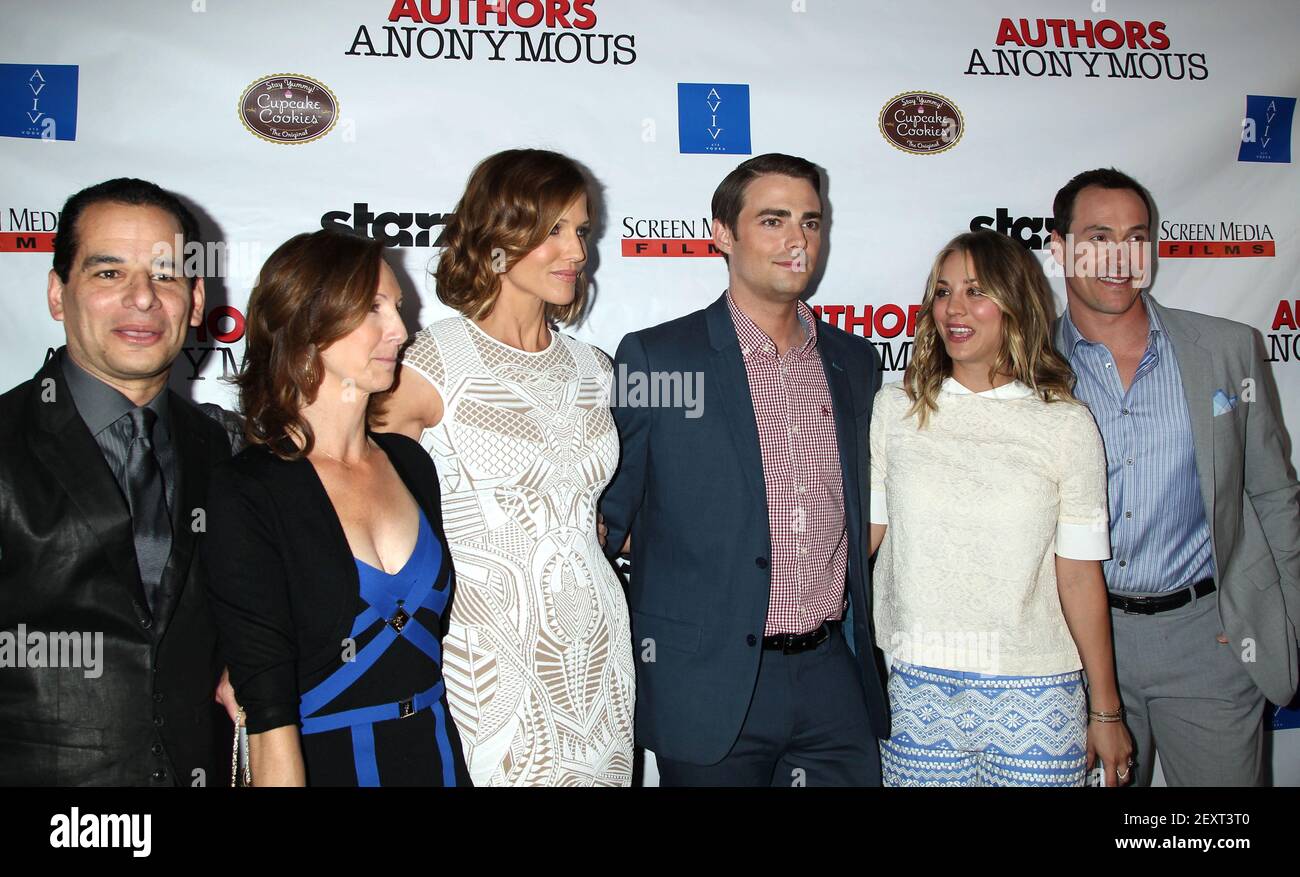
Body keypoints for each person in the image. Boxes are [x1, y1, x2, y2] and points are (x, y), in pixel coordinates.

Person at [598, 153, 887, 786]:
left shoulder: (855, 361)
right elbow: (606, 520)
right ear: (723, 234)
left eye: (811, 222)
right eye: (773, 220)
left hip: (830, 675)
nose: (797, 240)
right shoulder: (659, 358)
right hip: (704, 683)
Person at [385, 149, 634, 786]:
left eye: (581, 230)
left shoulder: (593, 369)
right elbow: (346, 500)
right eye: (553, 231)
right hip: (492, 653)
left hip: (599, 649)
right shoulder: (431, 364)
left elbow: (583, 509)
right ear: (498, 236)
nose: (576, 250)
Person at [1049, 168, 1300, 786]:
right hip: (1072, 647)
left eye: (1138, 236)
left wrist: (1283, 614)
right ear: (1059, 249)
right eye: (1099, 235)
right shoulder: (1029, 365)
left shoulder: (1225, 349)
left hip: (1210, 642)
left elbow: (1272, 492)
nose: (1121, 256)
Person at [204, 229, 469, 786]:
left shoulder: (411, 464)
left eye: (396, 308)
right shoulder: (249, 490)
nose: (399, 329)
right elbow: (268, 709)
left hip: (437, 759)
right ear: (305, 323)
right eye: (373, 308)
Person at [869, 230, 1132, 787]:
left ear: (1015, 304)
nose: (954, 309)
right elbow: (860, 538)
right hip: (916, 689)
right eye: (943, 292)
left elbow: (1081, 576)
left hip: (1037, 692)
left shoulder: (1066, 423)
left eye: (976, 291)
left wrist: (1105, 711)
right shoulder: (895, 410)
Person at [0, 178, 236, 785]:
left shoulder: (227, 449)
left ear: (194, 294)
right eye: (108, 274)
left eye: (165, 274)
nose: (142, 299)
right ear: (58, 294)